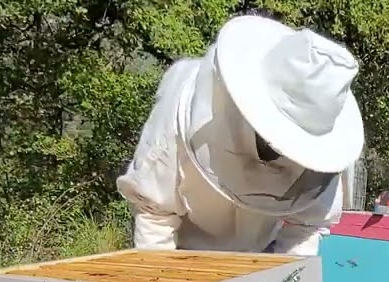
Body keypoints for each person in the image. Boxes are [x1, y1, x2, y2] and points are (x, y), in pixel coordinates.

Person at [115, 15, 363, 256]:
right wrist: (164, 278)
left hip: (262, 252)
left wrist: (284, 276)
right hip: (181, 251)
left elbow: (306, 227)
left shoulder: (322, 160)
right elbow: (155, 217)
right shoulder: (180, 110)